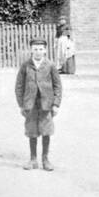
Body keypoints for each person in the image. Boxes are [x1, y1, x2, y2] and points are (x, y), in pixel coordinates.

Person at [15, 37, 62, 171]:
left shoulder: (50, 65)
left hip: (46, 104)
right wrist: (21, 104)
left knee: (46, 130)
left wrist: (56, 104)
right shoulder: (25, 66)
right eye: (35, 49)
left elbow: (58, 86)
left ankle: (45, 159)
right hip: (30, 104)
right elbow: (19, 86)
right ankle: (33, 159)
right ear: (31, 50)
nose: (38, 52)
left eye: (40, 49)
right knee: (32, 131)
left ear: (45, 51)